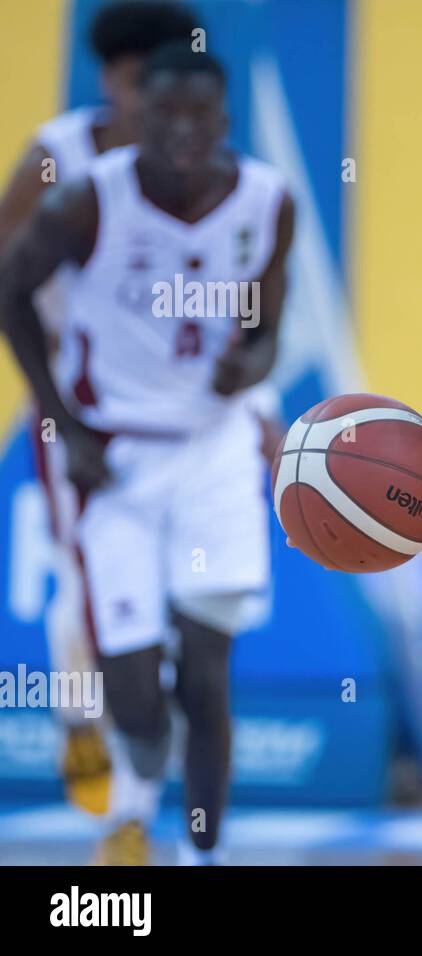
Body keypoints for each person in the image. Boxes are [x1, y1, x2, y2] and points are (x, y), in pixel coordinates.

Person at [0, 43, 295, 866]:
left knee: (206, 673)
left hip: (211, 443)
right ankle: (91, 730)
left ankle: (194, 848)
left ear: (222, 120)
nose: (176, 129)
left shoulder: (266, 200)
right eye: (156, 108)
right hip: (109, 440)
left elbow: (264, 325)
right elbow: (8, 283)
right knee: (124, 674)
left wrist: (258, 377)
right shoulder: (77, 185)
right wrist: (64, 414)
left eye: (196, 114)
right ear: (127, 103)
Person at [0, 0, 202, 819]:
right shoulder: (56, 157)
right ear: (115, 79)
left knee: (173, 603)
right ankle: (83, 719)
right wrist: (57, 410)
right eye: (141, 80)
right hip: (76, 405)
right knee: (92, 586)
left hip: (173, 412)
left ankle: (136, 804)